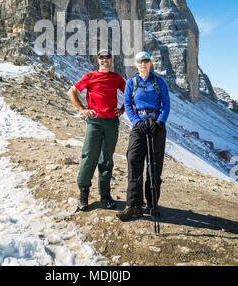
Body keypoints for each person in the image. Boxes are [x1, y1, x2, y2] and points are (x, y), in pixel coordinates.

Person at [67, 49, 126, 211]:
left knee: (106, 159)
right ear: (98, 60)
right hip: (95, 122)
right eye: (102, 57)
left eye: (108, 57)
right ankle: (83, 194)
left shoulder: (116, 78)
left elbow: (129, 94)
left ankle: (105, 196)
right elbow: (71, 91)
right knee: (89, 156)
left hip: (111, 122)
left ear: (111, 60)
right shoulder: (90, 77)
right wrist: (82, 109)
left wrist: (122, 109)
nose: (105, 59)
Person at [116, 51, 170, 221]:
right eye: (140, 61)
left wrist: (160, 121)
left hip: (157, 126)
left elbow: (166, 104)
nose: (143, 64)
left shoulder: (159, 82)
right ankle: (134, 206)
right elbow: (127, 104)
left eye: (146, 61)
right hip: (139, 125)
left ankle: (153, 204)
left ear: (150, 63)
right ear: (136, 64)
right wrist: (136, 121)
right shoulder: (131, 83)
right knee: (133, 159)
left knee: (154, 165)